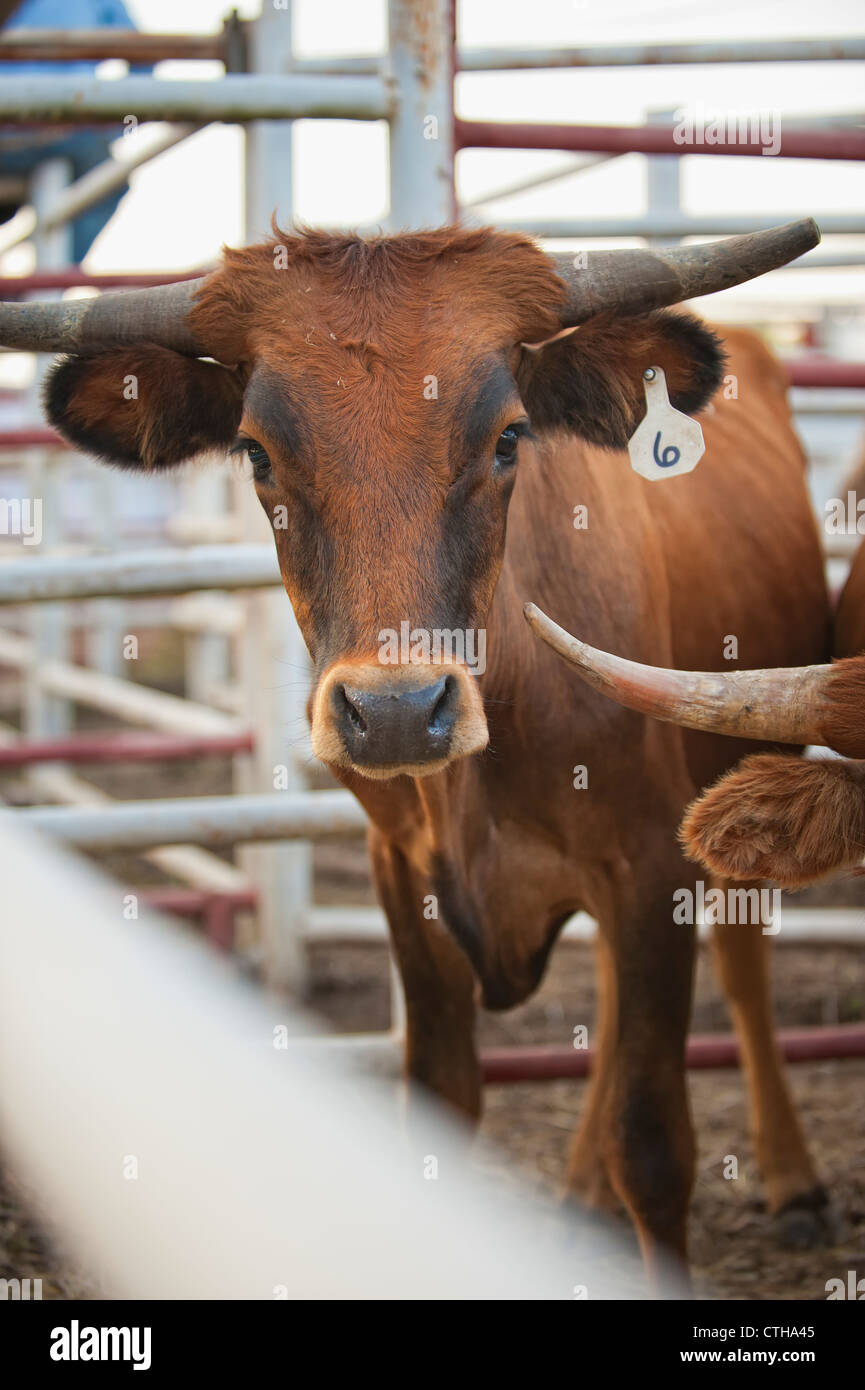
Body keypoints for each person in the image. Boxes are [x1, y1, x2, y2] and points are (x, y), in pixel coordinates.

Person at [0, 0, 144, 262]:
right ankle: (43, 290)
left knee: (105, 182)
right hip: (70, 136)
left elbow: (144, 62)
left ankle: (35, 291)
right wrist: (115, 127)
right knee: (107, 183)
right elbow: (145, 63)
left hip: (42, 137)